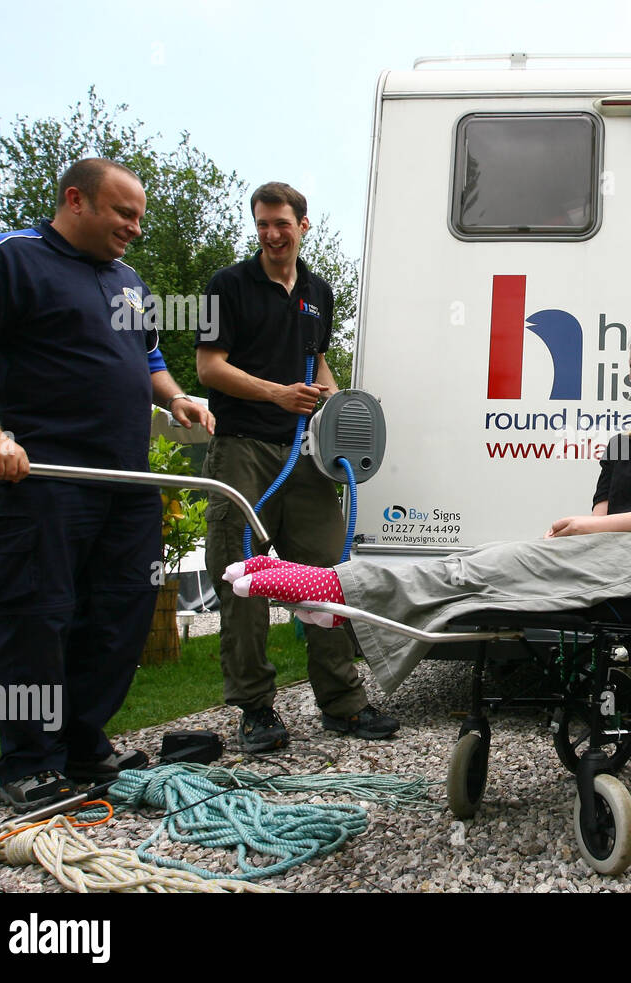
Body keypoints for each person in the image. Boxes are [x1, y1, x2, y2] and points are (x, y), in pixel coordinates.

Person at [223, 326, 631, 699]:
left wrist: (590, 527)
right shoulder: (626, 444)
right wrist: (586, 531)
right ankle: (350, 597)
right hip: (617, 555)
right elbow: (602, 520)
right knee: (491, 562)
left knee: (507, 565)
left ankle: (341, 590)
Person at [0, 158, 214, 811]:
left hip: (124, 481)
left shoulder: (127, 280)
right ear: (76, 199)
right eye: (123, 213)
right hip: (43, 480)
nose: (134, 228)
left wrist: (177, 396)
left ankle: (81, 742)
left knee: (120, 612)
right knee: (36, 618)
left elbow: (147, 355)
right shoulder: (6, 258)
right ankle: (28, 761)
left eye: (140, 217)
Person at [197, 182, 397, 752]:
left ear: (303, 225)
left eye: (281, 223)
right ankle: (256, 709)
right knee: (244, 580)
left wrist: (341, 410)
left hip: (305, 454)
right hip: (243, 450)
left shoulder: (319, 291)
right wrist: (275, 395)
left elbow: (318, 362)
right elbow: (210, 368)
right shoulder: (226, 286)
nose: (271, 234)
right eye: (262, 224)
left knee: (329, 578)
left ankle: (342, 703)